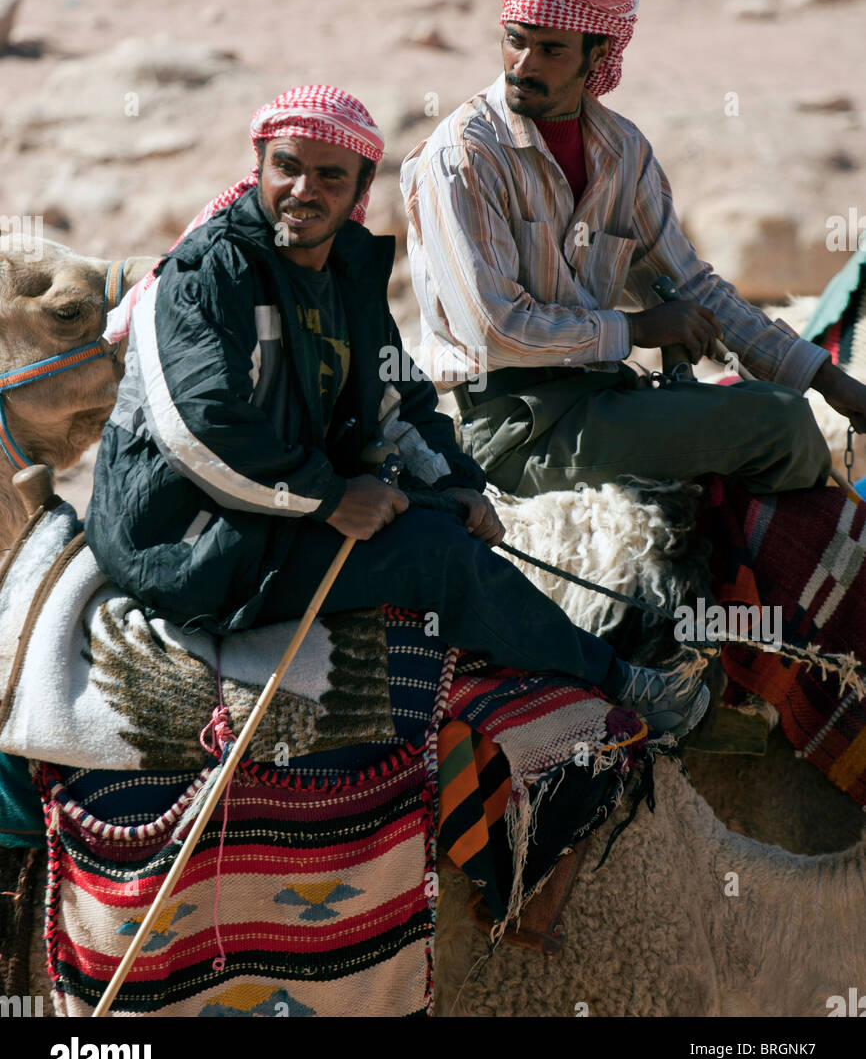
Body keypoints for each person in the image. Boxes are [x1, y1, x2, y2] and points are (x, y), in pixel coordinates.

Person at [85, 84, 708, 738]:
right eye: (287, 168)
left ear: (358, 193)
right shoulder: (205, 277)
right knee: (432, 555)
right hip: (186, 536)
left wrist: (457, 486)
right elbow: (198, 434)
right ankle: (619, 687)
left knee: (449, 523)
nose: (304, 190)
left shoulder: (345, 276)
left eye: (329, 177)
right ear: (260, 169)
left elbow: (397, 400)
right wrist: (330, 498)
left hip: (266, 510)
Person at [399, 0, 866, 498]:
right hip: (517, 429)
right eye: (515, 41)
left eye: (550, 49)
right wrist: (637, 329)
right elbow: (493, 331)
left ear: (596, 57)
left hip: (606, 399)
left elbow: (694, 286)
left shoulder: (622, 150)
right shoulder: (464, 154)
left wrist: (831, 383)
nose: (523, 65)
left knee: (778, 406)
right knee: (779, 426)